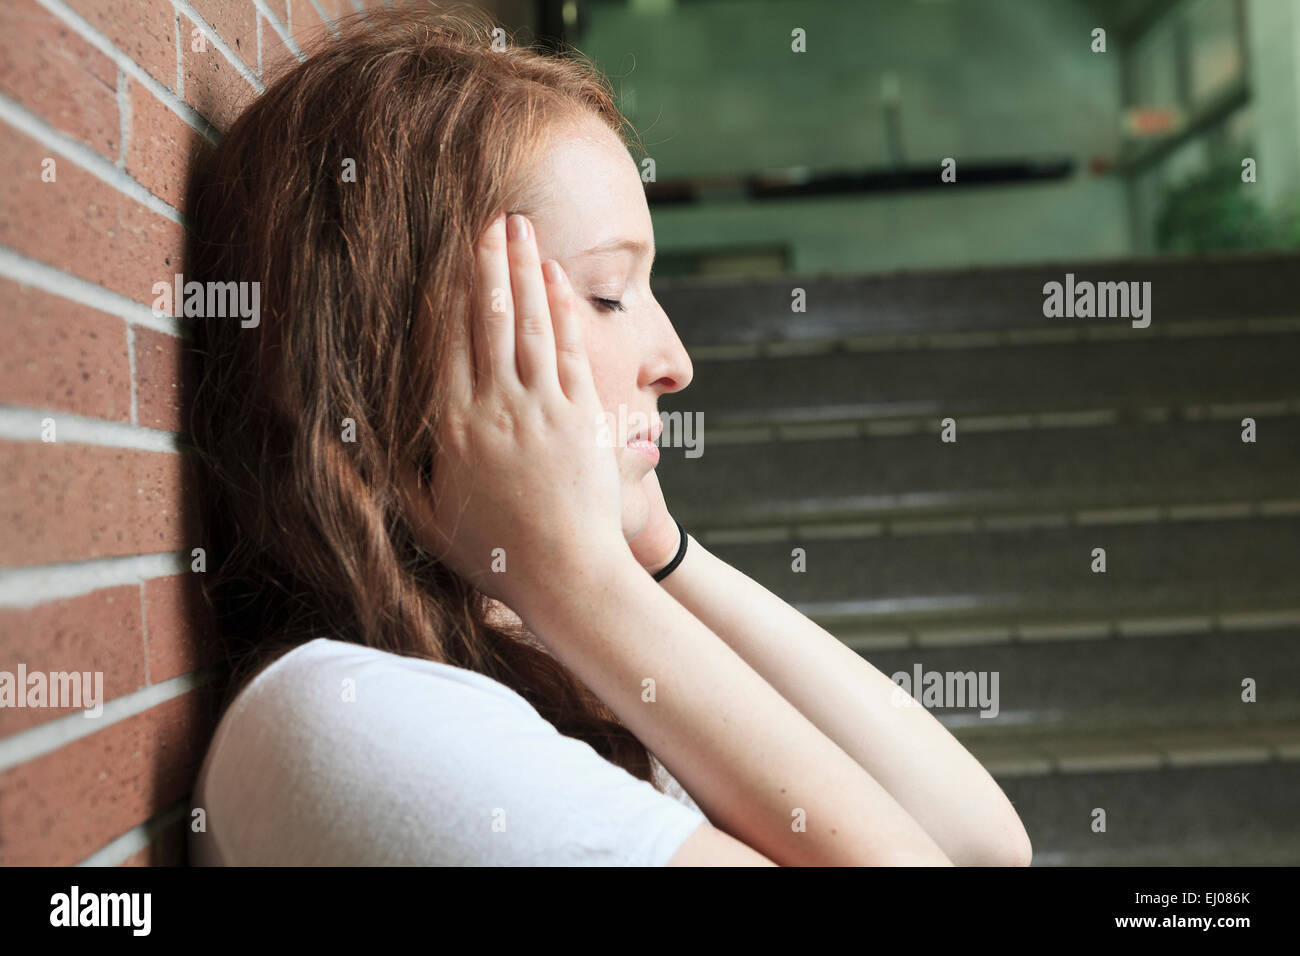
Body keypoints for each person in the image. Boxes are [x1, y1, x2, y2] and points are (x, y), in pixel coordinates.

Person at [186, 4, 1031, 866]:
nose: (674, 362)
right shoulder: (346, 719)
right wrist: (582, 581)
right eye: (609, 293)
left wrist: (657, 550)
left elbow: (983, 843)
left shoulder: (544, 640)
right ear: (402, 338)